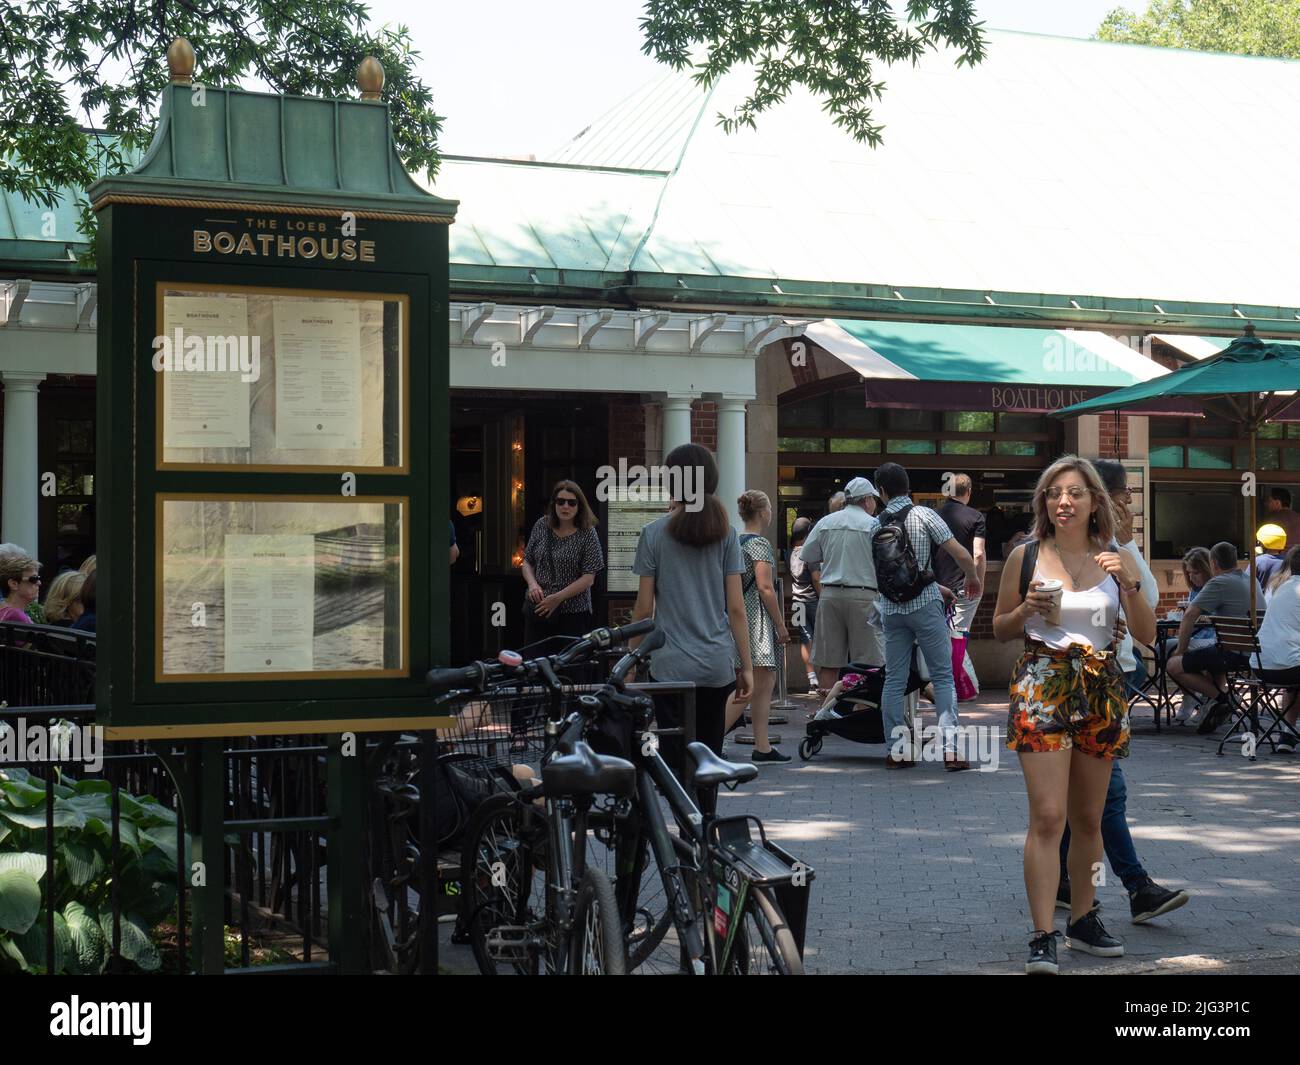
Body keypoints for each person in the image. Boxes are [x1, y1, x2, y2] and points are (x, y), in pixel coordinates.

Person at [993, 455, 1155, 975]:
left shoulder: (1114, 559)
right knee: (1048, 817)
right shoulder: (1026, 556)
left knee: (1089, 818)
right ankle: (1043, 934)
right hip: (1042, 685)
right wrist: (1025, 613)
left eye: (1075, 493)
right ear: (1045, 502)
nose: (1064, 501)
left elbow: (1148, 635)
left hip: (1102, 688)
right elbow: (999, 627)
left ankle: (1083, 919)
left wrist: (1130, 582)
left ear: (1094, 502)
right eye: (1055, 492)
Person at [1056, 460, 1188, 928]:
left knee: (1089, 797)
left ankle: (1062, 881)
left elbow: (1146, 612)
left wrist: (1127, 543)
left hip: (1113, 680)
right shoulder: (1072, 552)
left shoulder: (1113, 547)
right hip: (1077, 688)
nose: (1131, 502)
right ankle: (1136, 888)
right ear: (1102, 498)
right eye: (1125, 494)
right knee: (1107, 798)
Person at [630, 443, 753, 776]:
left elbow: (643, 609)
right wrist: (747, 665)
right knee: (710, 759)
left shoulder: (652, 534)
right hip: (716, 663)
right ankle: (707, 821)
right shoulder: (727, 535)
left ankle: (685, 824)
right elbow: (737, 608)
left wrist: (630, 663)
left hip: (670, 666)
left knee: (675, 758)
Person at [873, 462, 981, 771]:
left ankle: (897, 751)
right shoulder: (925, 515)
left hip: (892, 610)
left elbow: (884, 573)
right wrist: (971, 578)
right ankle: (950, 751)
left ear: (881, 491)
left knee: (894, 680)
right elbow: (960, 553)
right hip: (925, 606)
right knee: (943, 676)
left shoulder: (875, 523)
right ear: (907, 487)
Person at [723, 490, 792, 764]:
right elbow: (765, 587)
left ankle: (762, 746)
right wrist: (781, 624)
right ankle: (710, 740)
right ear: (763, 512)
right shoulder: (759, 544)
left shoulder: (735, 541)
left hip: (738, 616)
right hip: (757, 619)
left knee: (763, 682)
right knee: (753, 684)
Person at [799, 476, 882, 694]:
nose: (875, 504)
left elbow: (807, 554)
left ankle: (827, 715)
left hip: (830, 594)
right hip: (865, 595)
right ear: (865, 500)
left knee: (829, 660)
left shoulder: (826, 522)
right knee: (868, 662)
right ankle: (860, 713)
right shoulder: (874, 525)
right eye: (873, 499)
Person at [1167, 541, 1252, 735]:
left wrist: (1180, 650)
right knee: (1204, 656)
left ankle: (1223, 700)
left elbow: (1189, 615)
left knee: (1173, 663)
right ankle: (1217, 701)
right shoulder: (1249, 579)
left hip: (1232, 652)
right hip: (1253, 653)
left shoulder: (1219, 582)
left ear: (1213, 563)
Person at [521, 480, 604, 650]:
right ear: (554, 504)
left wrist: (558, 598)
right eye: (560, 501)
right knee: (536, 665)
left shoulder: (587, 532)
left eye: (571, 503)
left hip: (573, 612)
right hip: (540, 608)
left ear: (579, 506)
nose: (565, 506)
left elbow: (589, 578)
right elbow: (527, 561)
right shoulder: (542, 525)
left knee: (570, 667)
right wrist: (532, 584)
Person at [935, 473, 986, 698]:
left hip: (937, 586)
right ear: (969, 491)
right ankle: (961, 688)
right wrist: (977, 580)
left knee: (948, 635)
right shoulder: (976, 517)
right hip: (964, 586)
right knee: (958, 635)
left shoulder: (933, 515)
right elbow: (979, 553)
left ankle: (961, 685)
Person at [1254, 546, 1300, 752]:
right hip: (1289, 666)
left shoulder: (1280, 586)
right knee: (1293, 665)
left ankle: (1287, 734)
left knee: (1293, 672)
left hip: (1260, 665)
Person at [787, 516, 820, 690]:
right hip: (813, 601)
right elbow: (816, 578)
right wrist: (822, 597)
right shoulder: (810, 552)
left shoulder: (790, 553)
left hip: (796, 602)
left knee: (805, 638)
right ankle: (824, 677)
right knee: (822, 637)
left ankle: (811, 676)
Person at [0, 553, 42, 624]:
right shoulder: (15, 615)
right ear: (14, 584)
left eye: (38, 578)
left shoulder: (7, 609)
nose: (39, 583)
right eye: (34, 579)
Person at [1266, 487, 1300, 551]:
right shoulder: (1298, 517)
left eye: (1270, 501)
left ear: (1277, 503)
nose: (1267, 504)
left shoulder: (1273, 521)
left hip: (1279, 557)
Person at [1254, 523, 1287, 590]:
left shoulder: (1258, 561)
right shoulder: (1288, 561)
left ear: (1261, 543)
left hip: (1261, 599)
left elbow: (1248, 582)